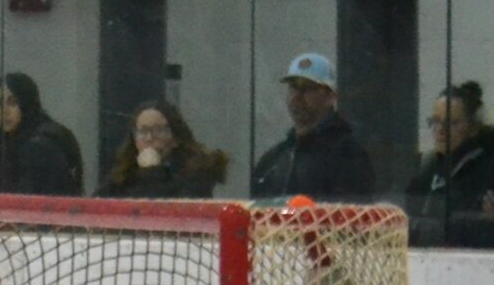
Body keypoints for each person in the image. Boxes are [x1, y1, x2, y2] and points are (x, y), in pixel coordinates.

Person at [250, 52, 377, 204]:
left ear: (330, 97)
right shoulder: (274, 159)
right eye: (293, 87)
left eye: (307, 88)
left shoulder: (348, 156)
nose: (297, 95)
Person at [409, 82, 494, 249]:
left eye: (452, 123)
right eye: (435, 121)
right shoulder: (428, 166)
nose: (440, 130)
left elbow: (475, 230)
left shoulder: (487, 170)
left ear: (472, 128)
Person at [101, 100, 227, 201]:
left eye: (158, 131)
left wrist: (151, 172)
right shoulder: (126, 170)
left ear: (175, 137)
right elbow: (98, 201)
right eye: (143, 132)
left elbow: (173, 213)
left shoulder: (196, 171)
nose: (149, 138)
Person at [0, 72, 83, 196]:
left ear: (27, 103)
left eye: (13, 103)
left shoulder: (38, 147)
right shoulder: (13, 139)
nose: (4, 111)